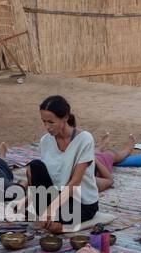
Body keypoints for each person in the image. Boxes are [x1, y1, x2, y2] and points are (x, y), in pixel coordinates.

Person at [21, 95, 101, 232]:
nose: (47, 127)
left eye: (51, 122)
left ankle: (57, 222)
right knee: (35, 166)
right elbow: (42, 179)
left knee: (55, 223)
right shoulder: (45, 141)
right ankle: (50, 217)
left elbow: (75, 182)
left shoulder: (84, 139)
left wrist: (51, 209)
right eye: (44, 122)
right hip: (57, 197)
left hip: (82, 202)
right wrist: (25, 201)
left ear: (65, 118)